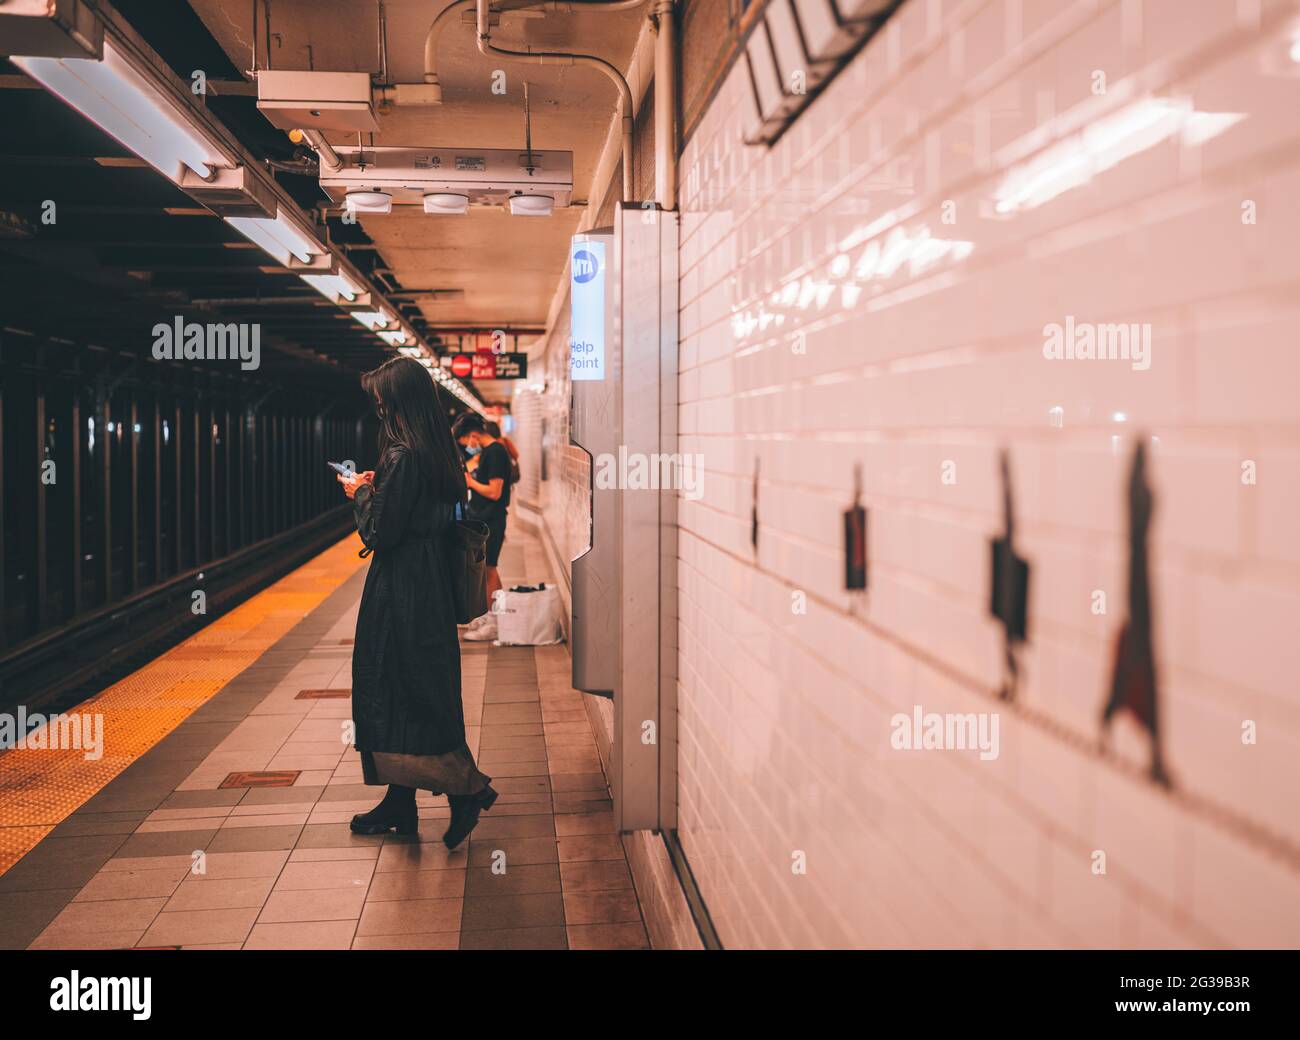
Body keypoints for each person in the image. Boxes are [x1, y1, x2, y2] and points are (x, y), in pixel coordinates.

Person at [337, 357, 498, 848]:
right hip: (427, 584)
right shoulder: (439, 451)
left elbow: (381, 534)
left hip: (400, 587)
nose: (379, 406)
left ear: (400, 400)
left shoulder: (404, 455)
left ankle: (465, 790)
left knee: (403, 686)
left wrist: (361, 494)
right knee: (410, 686)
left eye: (383, 398)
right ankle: (399, 803)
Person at [452, 412, 512, 642]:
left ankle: (494, 622)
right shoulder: (490, 452)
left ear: (474, 435)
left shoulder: (495, 452)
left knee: (489, 570)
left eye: (467, 441)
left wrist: (470, 482)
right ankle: (491, 616)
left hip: (493, 518)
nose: (468, 446)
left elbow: (495, 492)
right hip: (487, 517)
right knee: (487, 569)